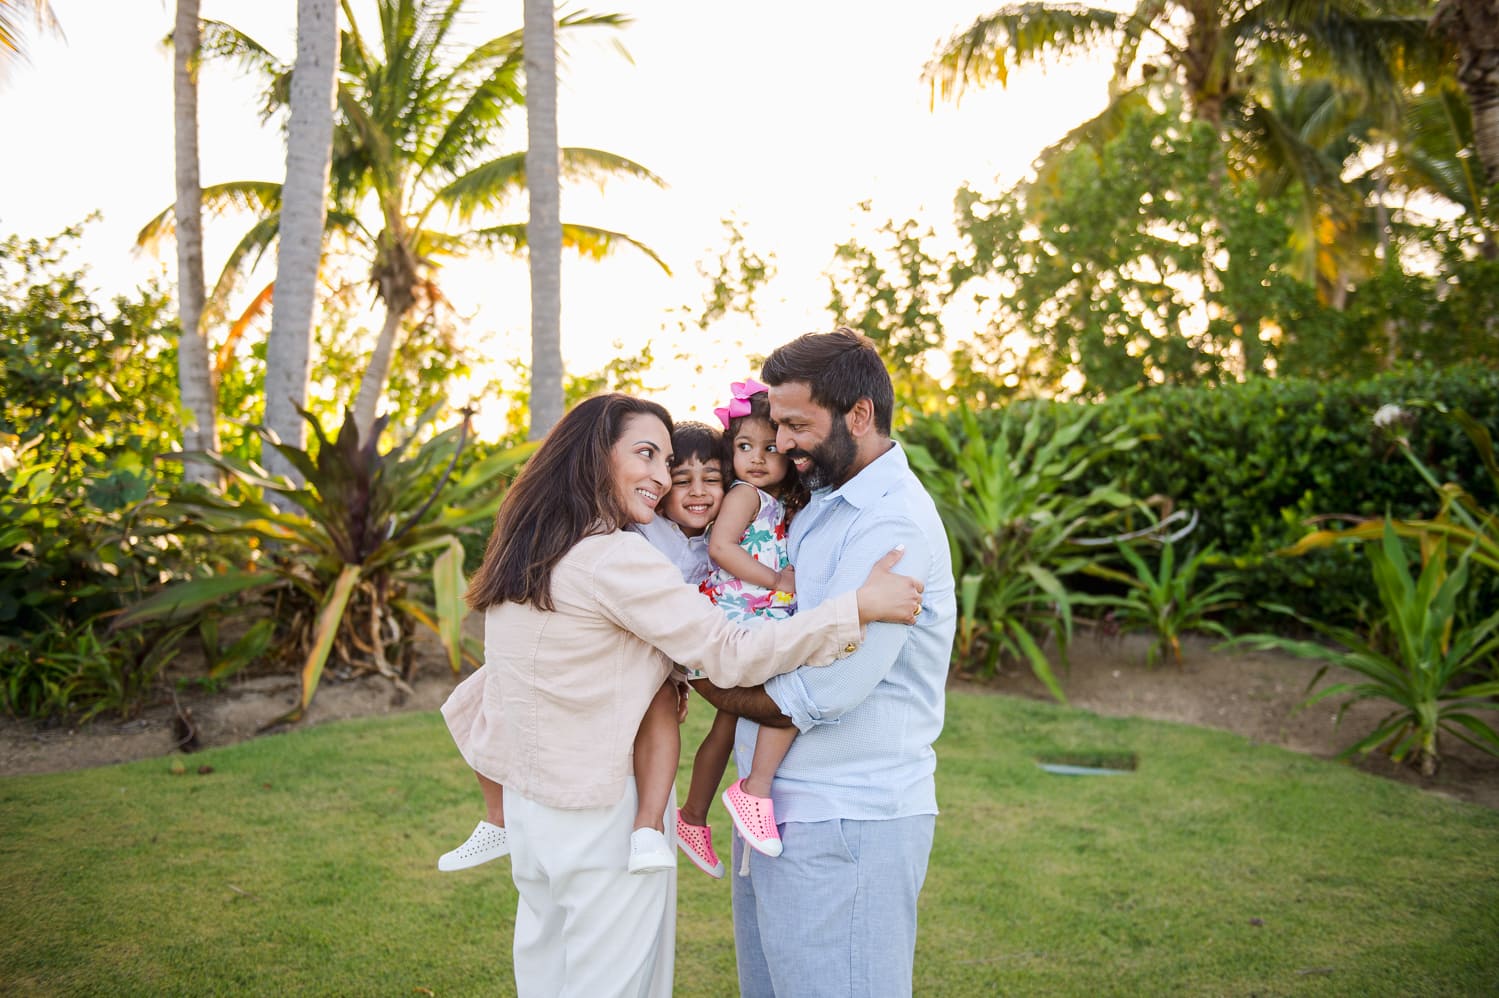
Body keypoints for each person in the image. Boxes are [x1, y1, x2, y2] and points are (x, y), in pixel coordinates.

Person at [438, 393, 925, 996]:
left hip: (533, 809)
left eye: (665, 460)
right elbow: (730, 651)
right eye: (646, 454)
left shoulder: (533, 552)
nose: (661, 478)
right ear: (593, 457)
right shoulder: (614, 560)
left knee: (549, 979)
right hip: (604, 815)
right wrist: (853, 608)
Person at [693, 330, 957, 998]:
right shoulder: (818, 508)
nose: (779, 443)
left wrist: (702, 674)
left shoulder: (889, 525)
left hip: (847, 822)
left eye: (795, 425)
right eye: (775, 425)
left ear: (858, 416)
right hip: (779, 814)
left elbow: (819, 691)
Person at [436, 421, 728, 877]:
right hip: (635, 641)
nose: (677, 483)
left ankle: (649, 825)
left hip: (669, 645)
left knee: (659, 705)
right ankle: (497, 818)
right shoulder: (634, 534)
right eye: (669, 468)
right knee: (486, 689)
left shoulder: (716, 542)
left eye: (711, 478)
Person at [678, 380, 808, 873]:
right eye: (744, 446)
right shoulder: (745, 495)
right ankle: (754, 790)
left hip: (746, 618)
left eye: (770, 448)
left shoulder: (770, 500)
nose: (756, 458)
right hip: (737, 622)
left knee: (728, 724)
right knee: (793, 697)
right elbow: (722, 549)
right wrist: (778, 579)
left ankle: (693, 815)